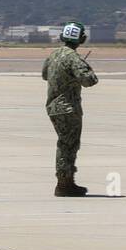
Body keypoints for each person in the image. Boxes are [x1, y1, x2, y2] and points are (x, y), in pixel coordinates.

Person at [41, 21, 98, 196]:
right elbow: (90, 80)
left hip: (53, 106)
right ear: (81, 39)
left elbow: (45, 75)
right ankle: (65, 184)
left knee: (64, 143)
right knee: (68, 145)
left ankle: (65, 181)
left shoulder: (53, 55)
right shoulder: (73, 58)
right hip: (68, 108)